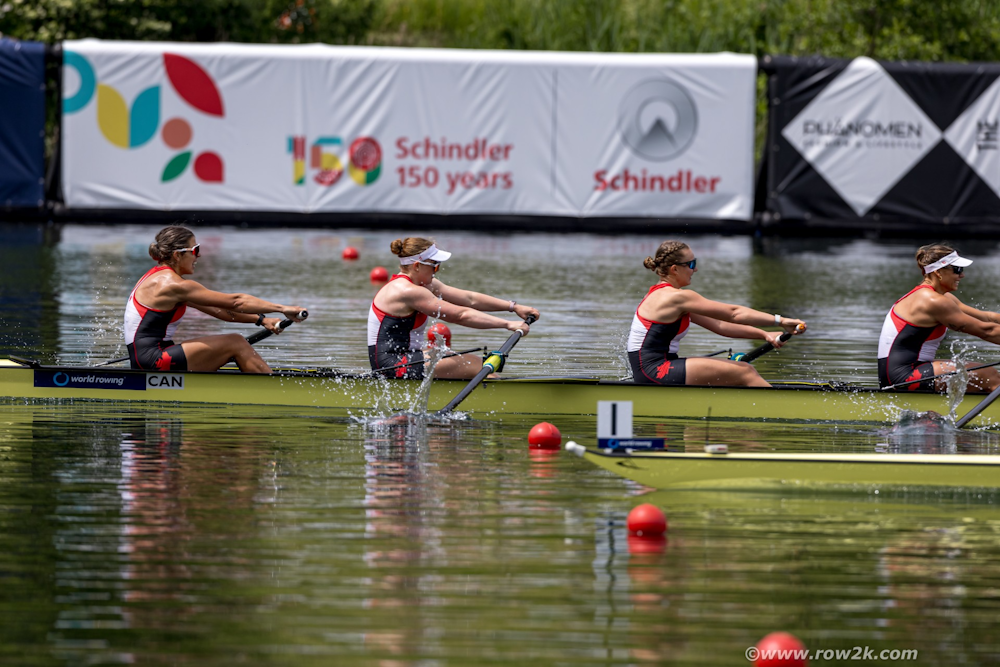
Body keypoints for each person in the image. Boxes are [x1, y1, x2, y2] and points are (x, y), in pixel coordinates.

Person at [125, 225, 307, 373]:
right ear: (177, 255)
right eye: (195, 250)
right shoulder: (173, 285)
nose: (199, 256)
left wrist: (261, 319)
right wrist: (283, 308)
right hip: (153, 361)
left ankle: (261, 381)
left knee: (234, 342)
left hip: (148, 358)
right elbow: (236, 301)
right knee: (235, 342)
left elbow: (221, 311)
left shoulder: (161, 279)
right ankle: (272, 391)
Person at [627, 240, 806, 387]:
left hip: (656, 367)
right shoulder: (675, 298)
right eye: (692, 264)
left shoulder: (666, 296)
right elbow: (734, 313)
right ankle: (785, 410)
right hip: (655, 370)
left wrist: (764, 334)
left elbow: (720, 325)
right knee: (745, 371)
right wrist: (780, 320)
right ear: (674, 269)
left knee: (738, 370)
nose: (695, 269)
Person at [368, 237, 540, 380]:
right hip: (393, 365)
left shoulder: (422, 284)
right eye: (434, 266)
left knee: (464, 360)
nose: (437, 271)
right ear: (417, 265)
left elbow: (469, 299)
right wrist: (508, 324)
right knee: (479, 366)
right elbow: (460, 315)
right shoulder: (407, 291)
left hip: (407, 358)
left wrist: (513, 307)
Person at [878, 244, 1000, 392]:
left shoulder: (941, 297)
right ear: (938, 272)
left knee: (981, 373)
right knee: (990, 376)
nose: (962, 275)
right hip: (902, 377)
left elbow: (987, 318)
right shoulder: (932, 301)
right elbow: (986, 331)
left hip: (912, 370)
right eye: (957, 270)